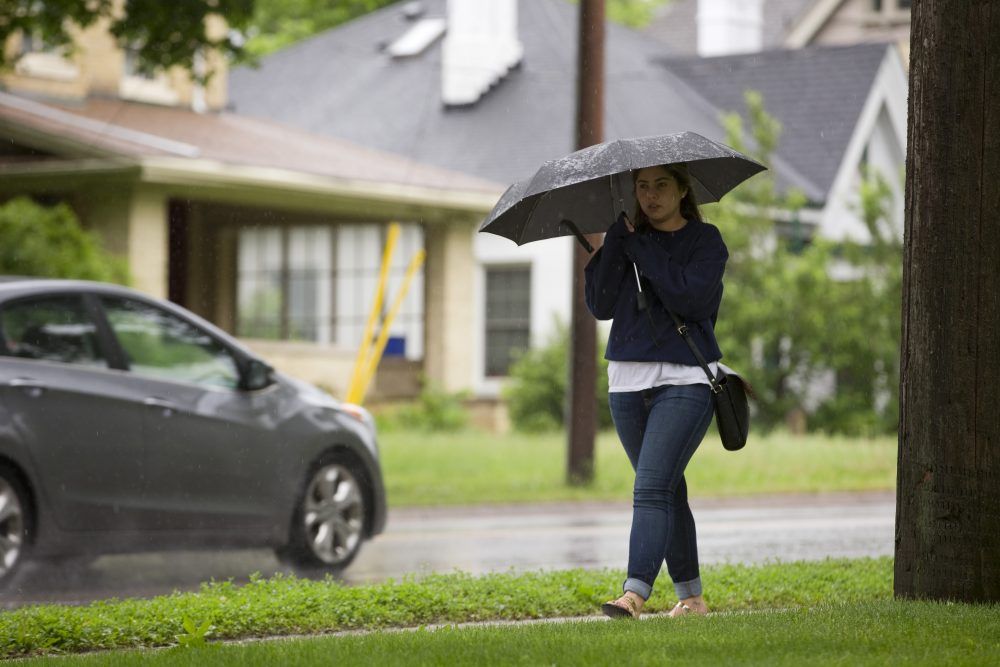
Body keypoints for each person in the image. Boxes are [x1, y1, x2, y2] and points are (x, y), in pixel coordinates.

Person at [584, 163, 728, 619]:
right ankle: (692, 598)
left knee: (649, 488)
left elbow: (691, 299)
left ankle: (633, 593)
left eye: (661, 185)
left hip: (685, 380)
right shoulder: (625, 241)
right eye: (642, 186)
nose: (650, 195)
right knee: (667, 489)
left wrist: (642, 249)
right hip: (626, 383)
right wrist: (611, 248)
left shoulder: (705, 243)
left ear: (684, 190)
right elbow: (601, 305)